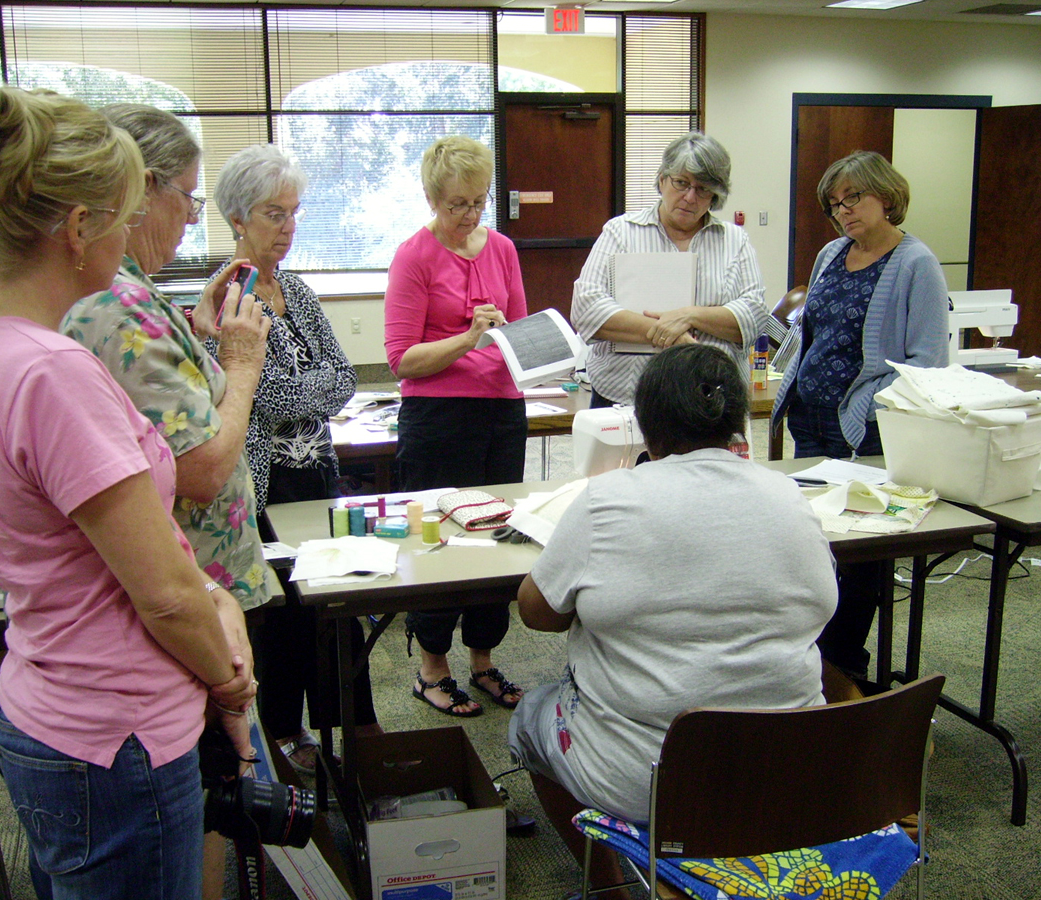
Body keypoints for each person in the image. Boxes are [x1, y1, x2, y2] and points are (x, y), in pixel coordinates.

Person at [0, 84, 255, 900]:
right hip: (119, 734)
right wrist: (229, 677)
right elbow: (166, 597)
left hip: (50, 695)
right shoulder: (52, 372)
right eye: (119, 214)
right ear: (78, 230)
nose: (132, 234)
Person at [509, 344, 837, 898]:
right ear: (738, 422)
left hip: (648, 781)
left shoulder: (607, 499)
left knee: (529, 716)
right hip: (791, 775)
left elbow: (536, 613)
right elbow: (819, 602)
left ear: (646, 428)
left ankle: (608, 887)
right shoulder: (790, 496)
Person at [60, 104, 273, 900]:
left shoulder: (129, 297)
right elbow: (202, 467)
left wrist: (196, 338)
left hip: (194, 599)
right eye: (186, 197)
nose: (192, 217)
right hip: (186, 607)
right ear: (137, 191)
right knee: (212, 804)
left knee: (213, 802)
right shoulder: (115, 307)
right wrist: (241, 359)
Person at [193, 143, 376, 766]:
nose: (287, 228)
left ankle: (347, 729)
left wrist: (309, 393)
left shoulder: (294, 288)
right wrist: (312, 392)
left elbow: (346, 379)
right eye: (274, 214)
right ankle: (280, 737)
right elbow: (264, 402)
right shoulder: (224, 297)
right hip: (263, 484)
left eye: (293, 213)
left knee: (336, 604)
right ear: (238, 218)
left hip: (318, 476)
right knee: (278, 616)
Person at [771, 150, 949, 679]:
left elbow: (927, 363)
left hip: (865, 428)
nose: (844, 211)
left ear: (887, 197)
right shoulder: (830, 253)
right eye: (834, 204)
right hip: (810, 417)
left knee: (861, 551)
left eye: (854, 198)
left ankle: (844, 665)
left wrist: (868, 403)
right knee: (815, 543)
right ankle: (812, 661)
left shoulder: (916, 263)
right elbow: (812, 332)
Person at [383, 135, 527, 717]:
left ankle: (484, 659)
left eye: (479, 202)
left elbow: (518, 331)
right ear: (431, 199)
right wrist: (468, 337)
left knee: (495, 536)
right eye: (457, 204)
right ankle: (431, 667)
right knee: (440, 541)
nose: (470, 216)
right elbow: (401, 359)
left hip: (500, 410)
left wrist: (542, 350)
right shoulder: (414, 256)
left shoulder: (504, 250)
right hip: (439, 416)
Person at [571, 131, 766, 407]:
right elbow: (586, 308)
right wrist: (671, 334)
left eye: (702, 189)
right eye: (681, 183)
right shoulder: (621, 233)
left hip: (710, 402)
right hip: (625, 397)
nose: (689, 197)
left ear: (715, 196)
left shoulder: (734, 241)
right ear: (662, 180)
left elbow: (754, 314)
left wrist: (689, 315)